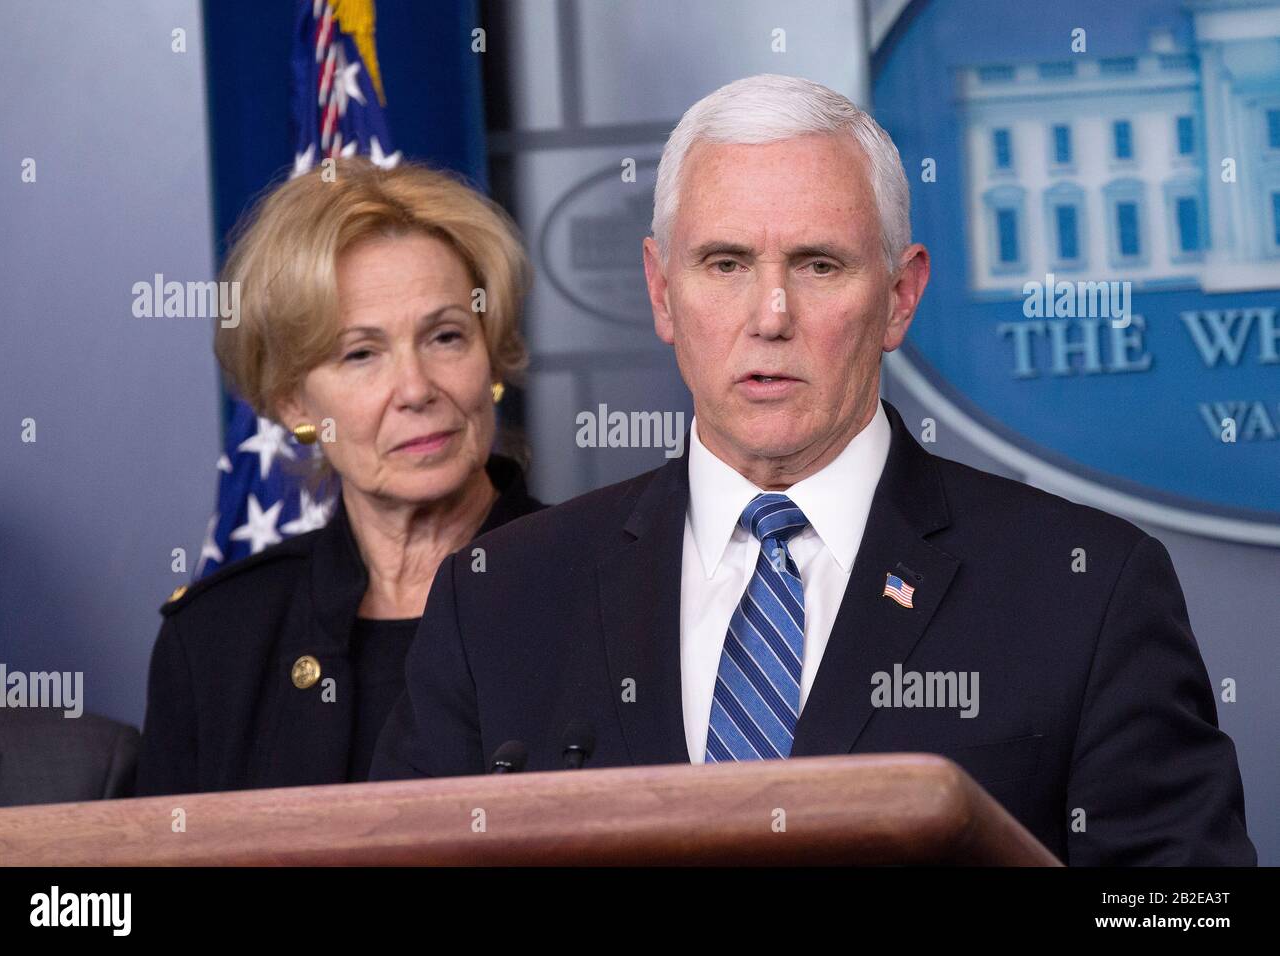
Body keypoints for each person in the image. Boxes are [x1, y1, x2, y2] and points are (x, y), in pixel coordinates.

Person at [369, 75, 1256, 866]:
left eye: (818, 264)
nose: (771, 315)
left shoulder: (1084, 589)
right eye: (724, 264)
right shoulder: (499, 599)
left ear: (901, 296)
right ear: (660, 291)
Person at [135, 158, 544, 796]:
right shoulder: (215, 642)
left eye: (445, 337)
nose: (415, 389)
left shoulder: (603, 587)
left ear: (491, 352)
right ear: (294, 402)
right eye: (360, 354)